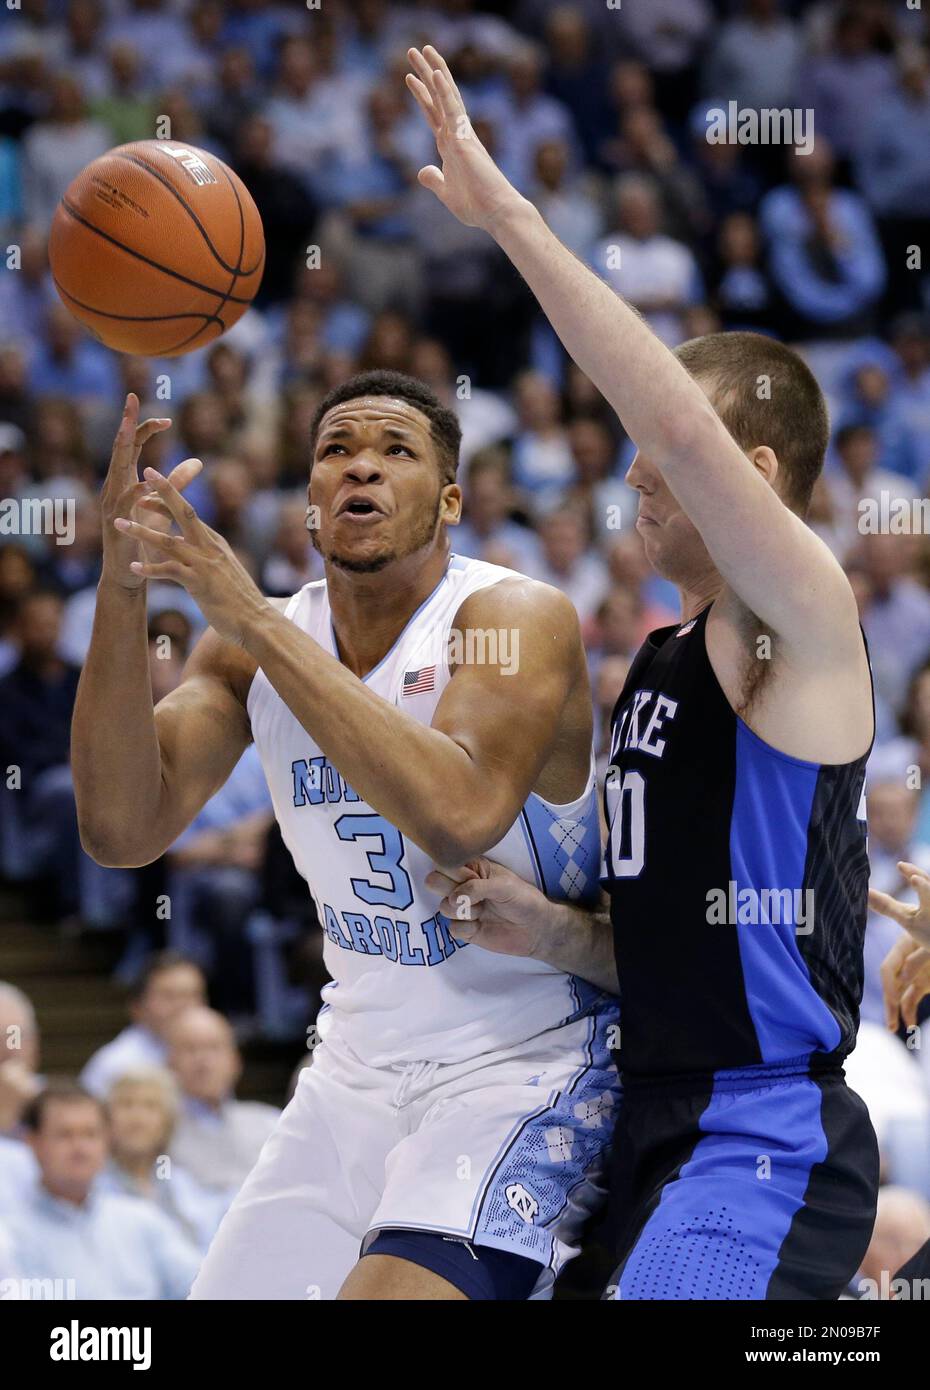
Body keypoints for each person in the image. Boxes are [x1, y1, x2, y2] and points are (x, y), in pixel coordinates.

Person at [408, 42, 879, 1300]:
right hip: (650, 1128)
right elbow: (676, 954)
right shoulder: (669, 662)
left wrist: (504, 212)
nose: (634, 473)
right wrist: (556, 932)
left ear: (756, 477)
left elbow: (668, 414)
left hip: (761, 1142)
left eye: (665, 451)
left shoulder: (801, 621)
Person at [71, 360, 619, 1301]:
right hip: (352, 1076)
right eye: (337, 450)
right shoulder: (250, 644)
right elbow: (121, 828)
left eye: (393, 450)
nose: (360, 466)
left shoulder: (509, 618)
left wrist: (249, 616)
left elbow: (458, 815)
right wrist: (122, 590)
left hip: (524, 1064)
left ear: (449, 501)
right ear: (312, 498)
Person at [6, 1080, 199, 1300]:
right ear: (33, 1143)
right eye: (65, 1135)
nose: (80, 1147)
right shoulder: (11, 1237)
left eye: (90, 1134)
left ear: (107, 1140)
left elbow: (204, 1286)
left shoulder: (141, 1219)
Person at [165, 1007, 278, 1194]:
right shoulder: (160, 1136)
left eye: (213, 1048)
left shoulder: (272, 1123)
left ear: (236, 1061)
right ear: (170, 1062)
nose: (203, 1061)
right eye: (190, 1049)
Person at [80, 952, 206, 1099]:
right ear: (138, 1006)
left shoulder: (214, 1055)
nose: (182, 1006)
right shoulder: (115, 1064)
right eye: (169, 996)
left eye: (191, 995)